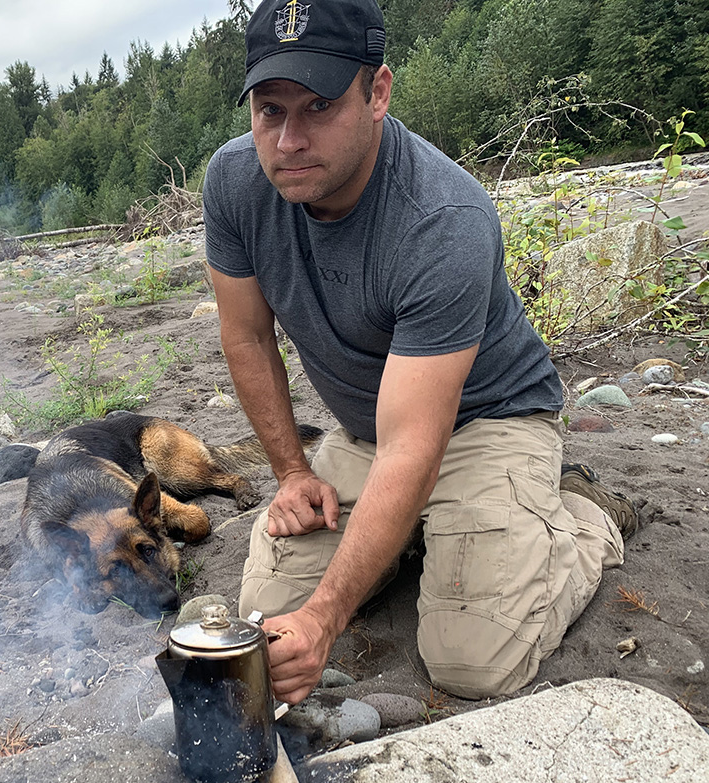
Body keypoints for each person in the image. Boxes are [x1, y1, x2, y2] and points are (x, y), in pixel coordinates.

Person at [203, 0, 638, 703]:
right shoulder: (233, 183)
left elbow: (414, 448)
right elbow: (246, 334)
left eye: (317, 106)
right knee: (268, 606)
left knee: (472, 663)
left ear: (377, 93)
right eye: (269, 109)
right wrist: (290, 473)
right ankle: (423, 537)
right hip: (375, 427)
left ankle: (581, 516)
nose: (287, 140)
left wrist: (325, 619)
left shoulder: (444, 218)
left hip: (485, 422)